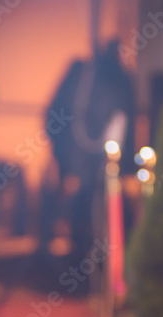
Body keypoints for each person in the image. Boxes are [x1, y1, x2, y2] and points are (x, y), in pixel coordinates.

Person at [46, 41, 136, 262]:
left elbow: (125, 123)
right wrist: (64, 162)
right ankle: (78, 260)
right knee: (82, 211)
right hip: (83, 164)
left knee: (99, 214)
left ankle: (92, 264)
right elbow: (56, 116)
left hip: (97, 165)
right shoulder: (85, 77)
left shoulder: (117, 81)